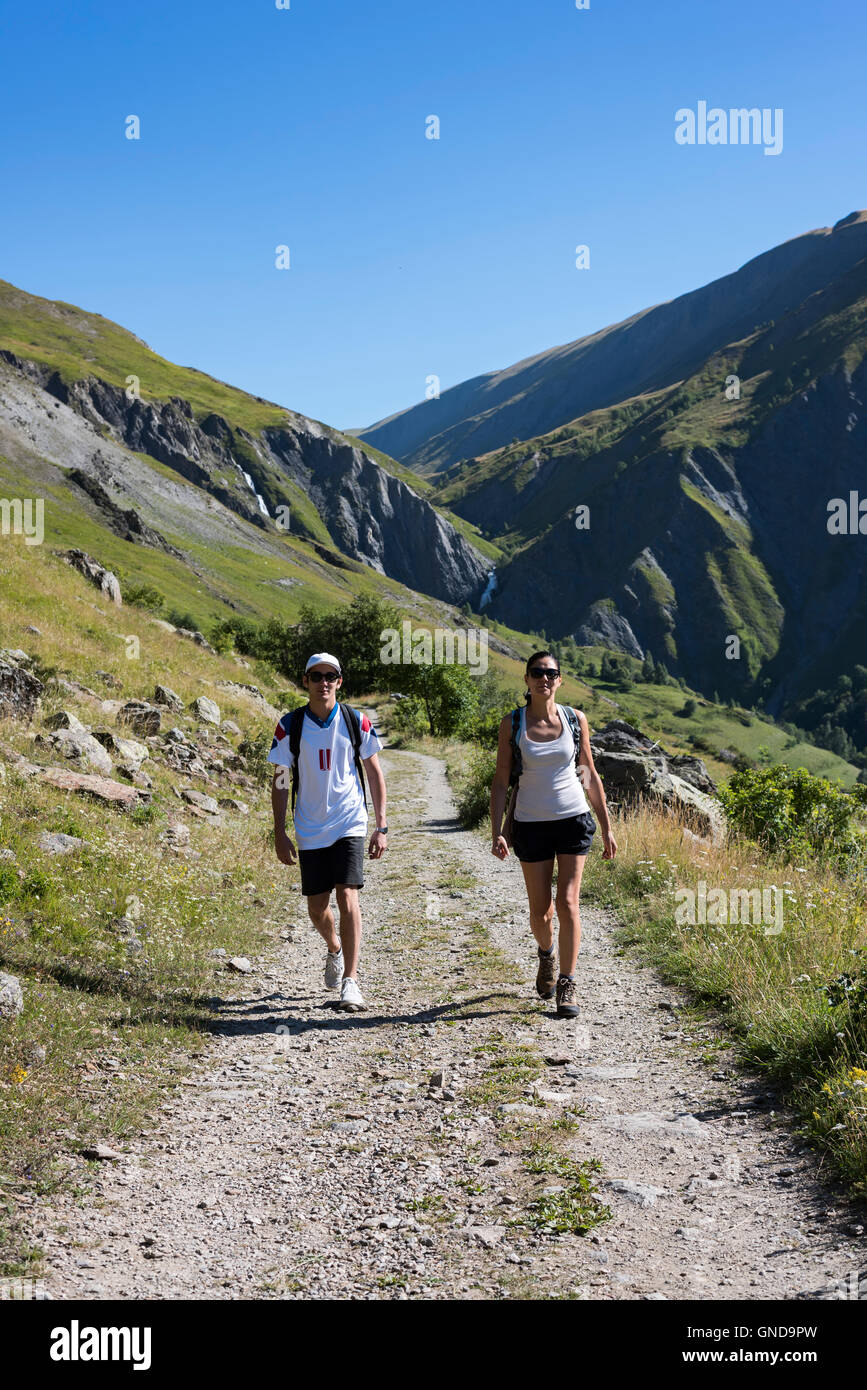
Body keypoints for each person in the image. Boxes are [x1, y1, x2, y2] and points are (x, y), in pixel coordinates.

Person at [490, 651, 616, 1018]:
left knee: (568, 903)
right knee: (540, 913)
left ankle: (567, 981)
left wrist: (606, 826)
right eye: (537, 673)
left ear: (559, 680)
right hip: (530, 824)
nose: (544, 678)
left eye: (551, 673)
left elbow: (589, 773)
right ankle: (546, 955)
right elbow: (500, 781)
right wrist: (497, 830)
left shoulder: (576, 719)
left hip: (573, 819)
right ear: (527, 680)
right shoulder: (512, 723)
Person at [269, 652, 388, 1012]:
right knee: (317, 908)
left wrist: (380, 826)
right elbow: (280, 781)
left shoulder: (356, 721)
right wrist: (279, 831)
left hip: (350, 820)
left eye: (330, 676)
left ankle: (351, 982)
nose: (323, 682)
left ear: (339, 681)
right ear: (305, 681)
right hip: (309, 826)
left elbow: (374, 774)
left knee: (347, 895)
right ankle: (334, 948)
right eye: (316, 676)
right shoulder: (289, 725)